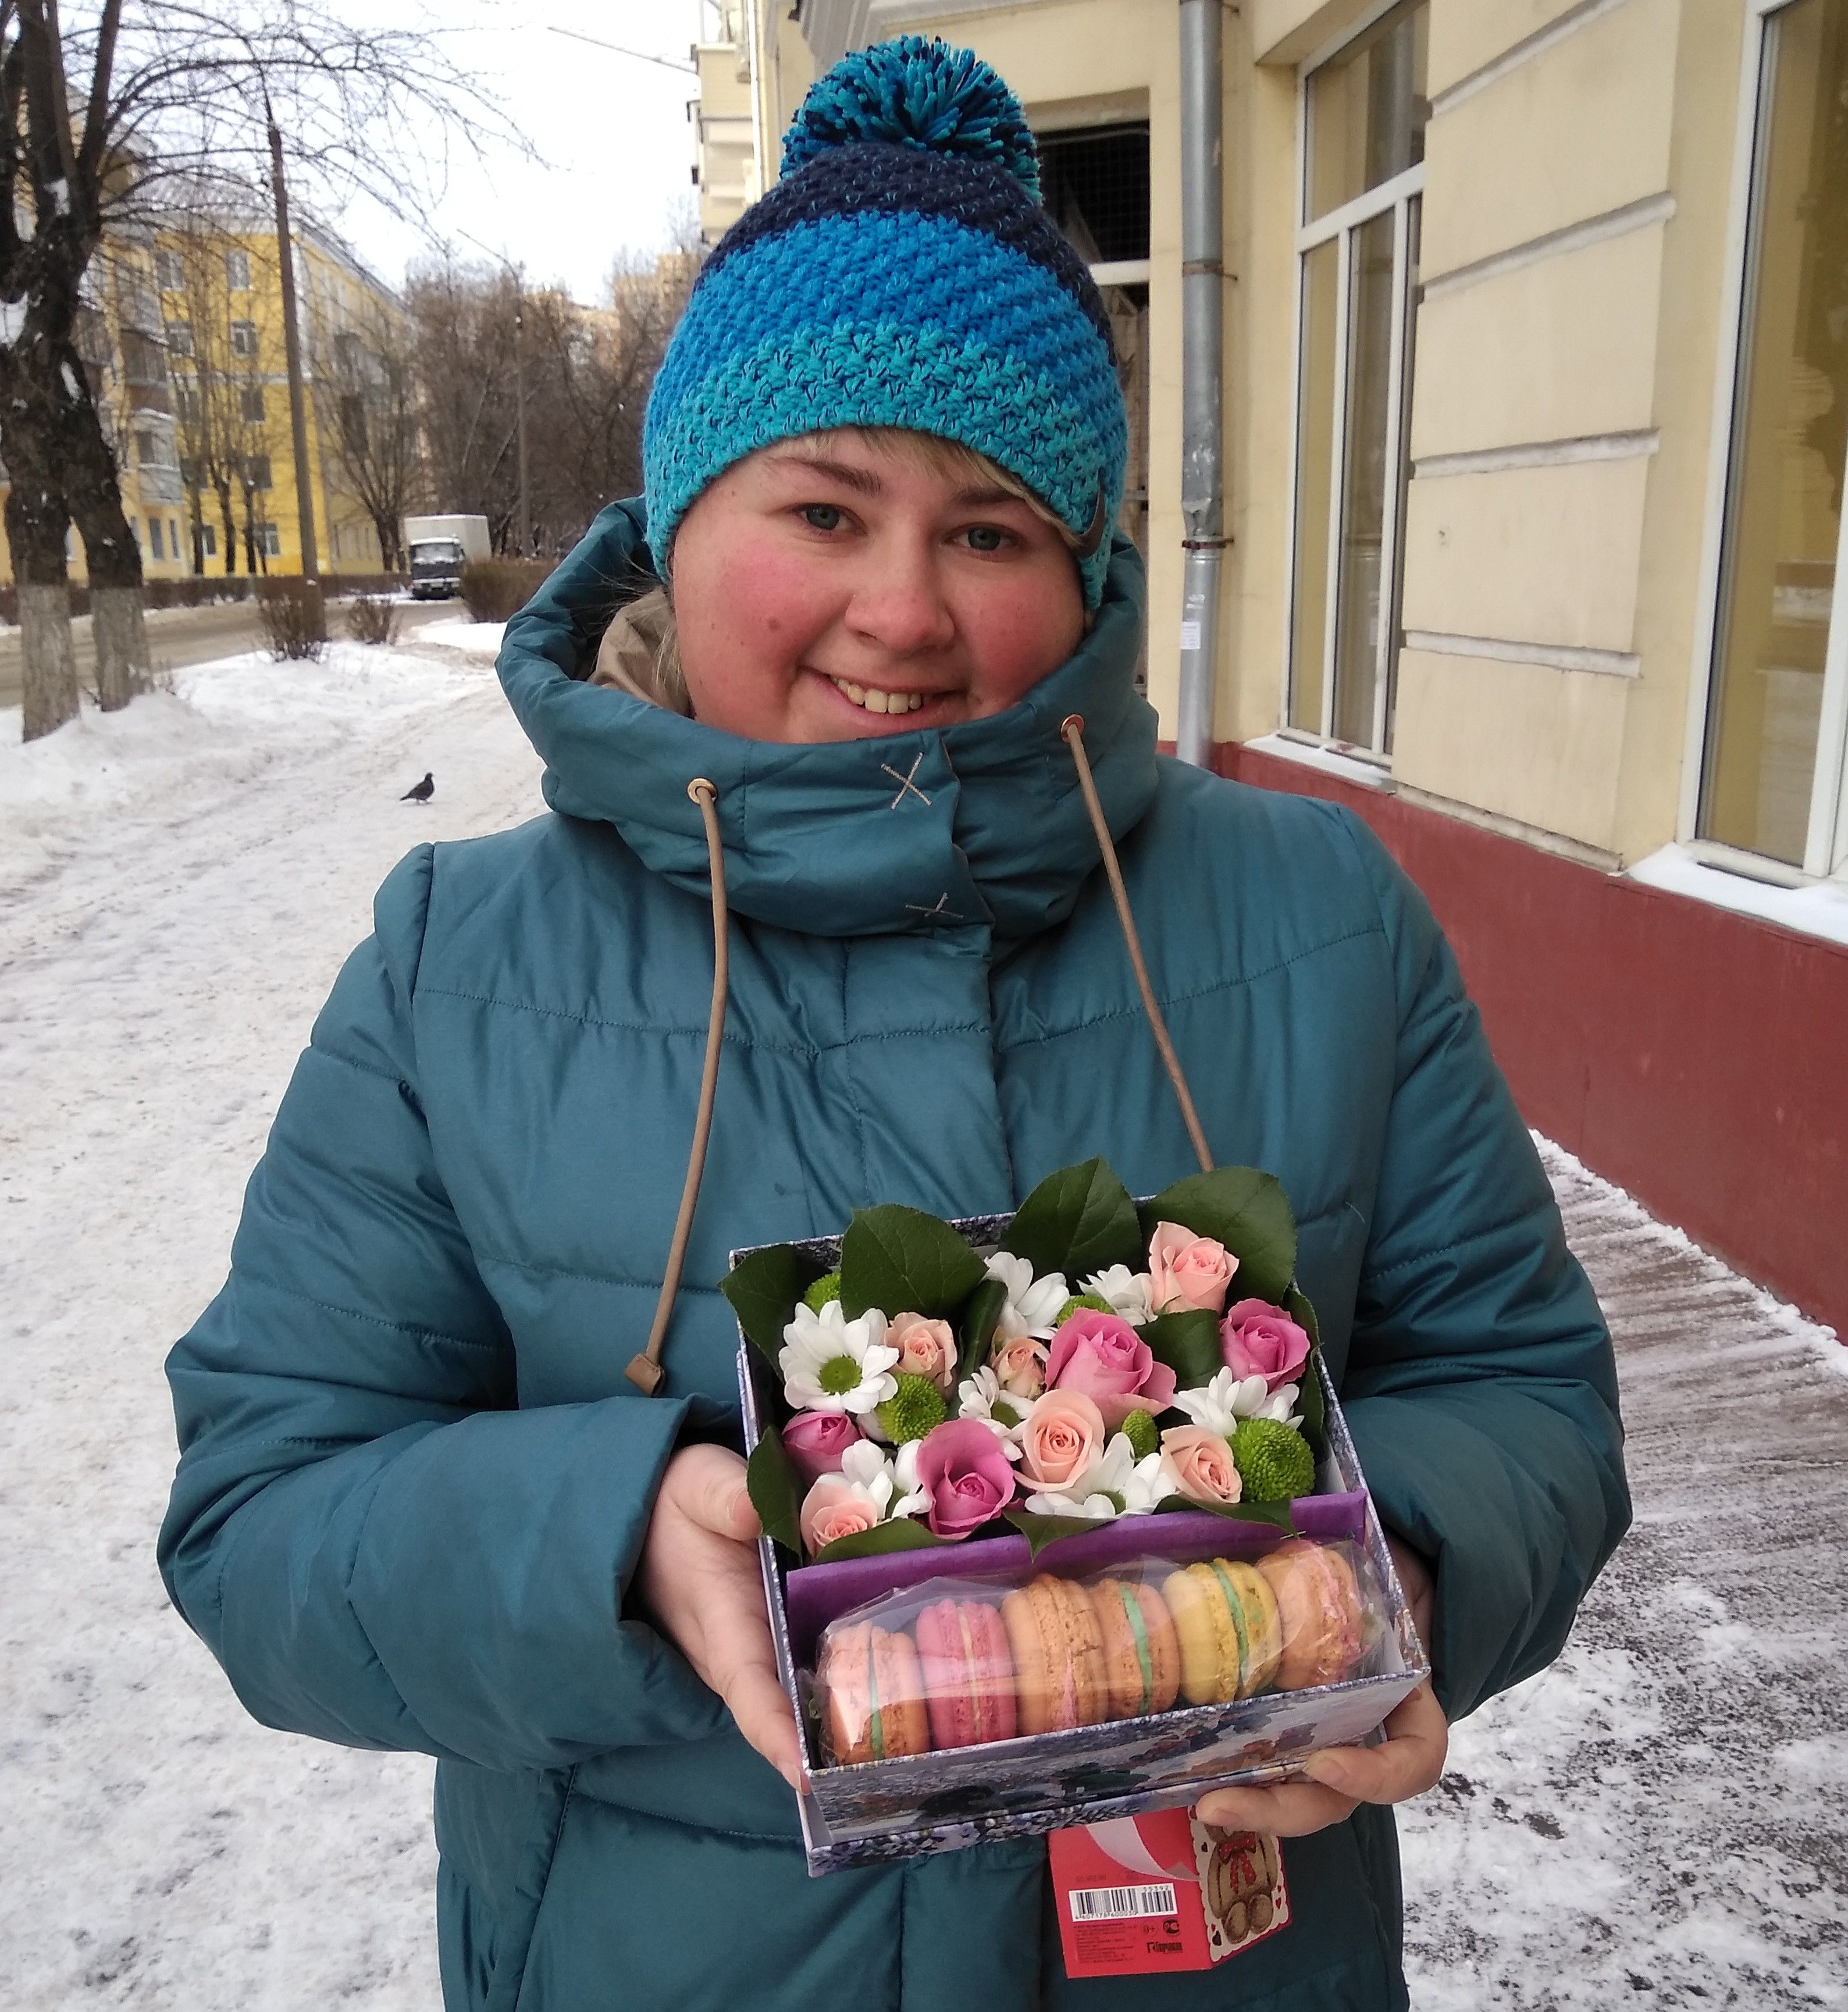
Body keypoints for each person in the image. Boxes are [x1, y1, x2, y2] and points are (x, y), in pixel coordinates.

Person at [159, 38, 1629, 2012]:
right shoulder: (462, 965)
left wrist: (1406, 1580)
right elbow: (262, 1516)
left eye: (993, 530)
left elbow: (1525, 1391)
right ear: (682, 522)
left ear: (1085, 569)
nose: (907, 610)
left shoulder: (1317, 916)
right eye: (826, 510)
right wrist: (612, 1536)